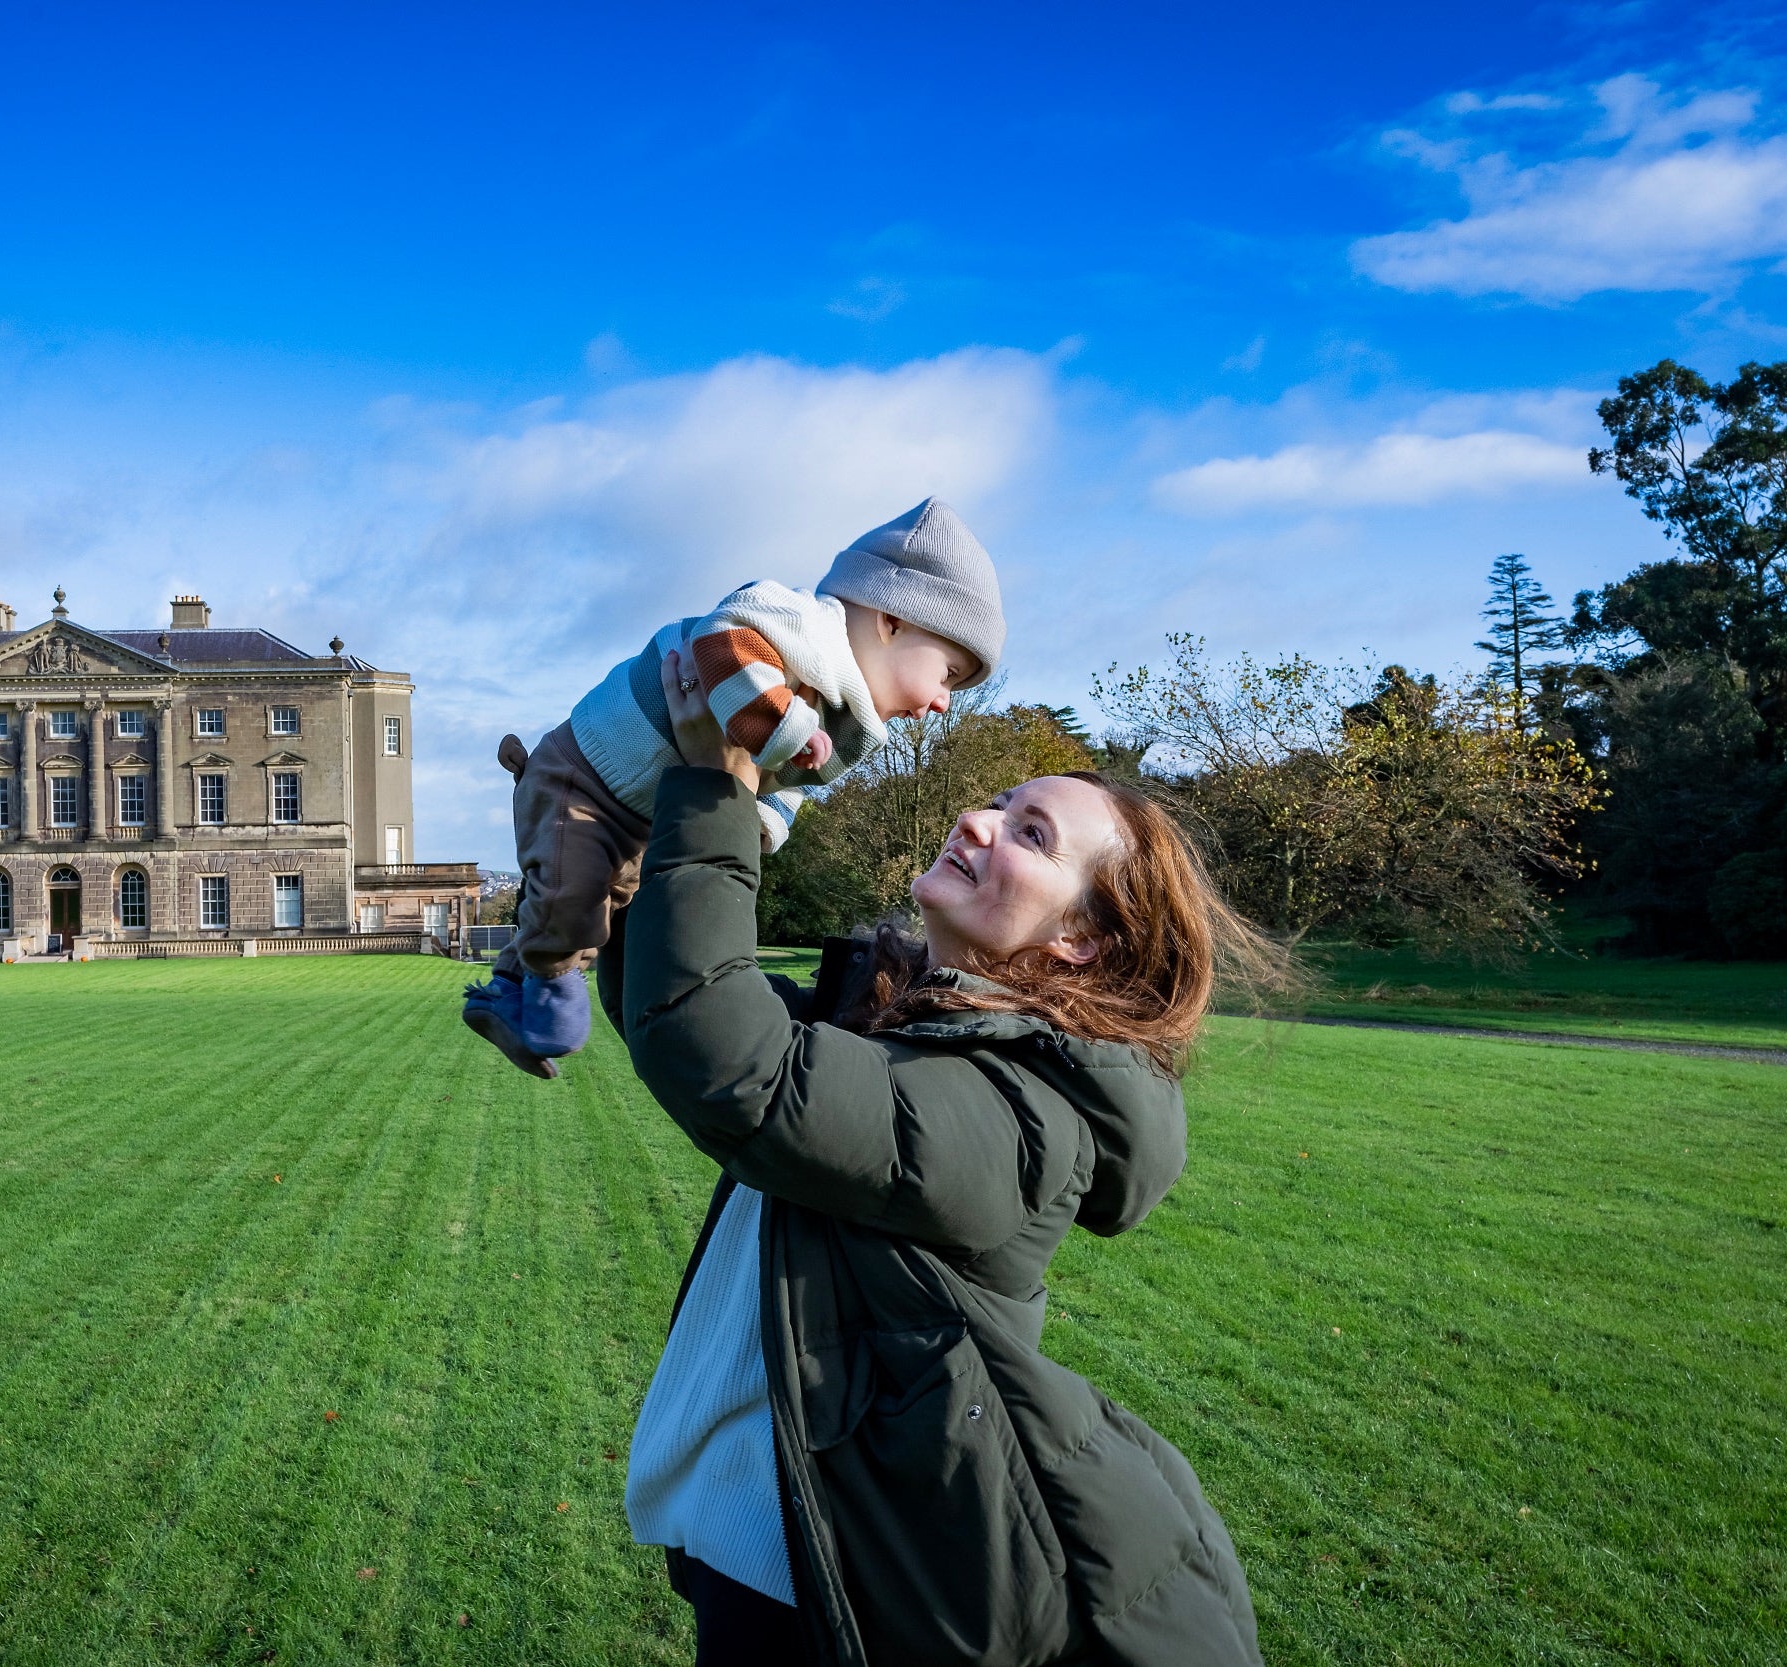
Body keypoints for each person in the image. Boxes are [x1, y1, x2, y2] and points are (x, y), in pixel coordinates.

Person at [612, 650, 1272, 1667]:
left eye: (1031, 835)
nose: (978, 818)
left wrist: (714, 787)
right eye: (999, 802)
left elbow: (731, 1064)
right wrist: (608, 847)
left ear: (1081, 942)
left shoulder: (1024, 1116)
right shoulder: (905, 1024)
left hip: (830, 1564)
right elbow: (676, 990)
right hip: (767, 1532)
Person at [465, 498, 1004, 1078]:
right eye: (948, 675)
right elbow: (724, 644)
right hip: (583, 780)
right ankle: (543, 998)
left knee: (598, 907)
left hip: (640, 822)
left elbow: (779, 788)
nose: (943, 700)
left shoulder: (841, 715)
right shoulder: (798, 621)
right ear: (892, 620)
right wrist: (780, 725)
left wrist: (762, 821)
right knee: (572, 912)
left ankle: (508, 995)